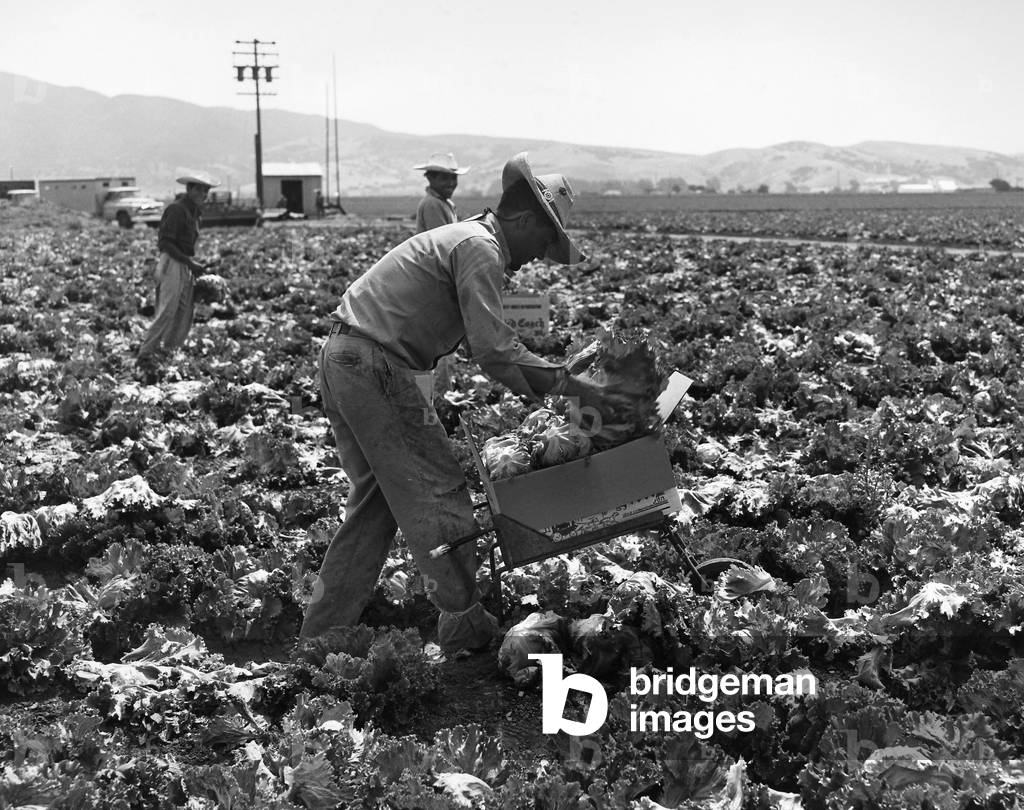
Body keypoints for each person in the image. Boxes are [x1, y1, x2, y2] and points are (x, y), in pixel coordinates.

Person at [302, 152, 629, 653]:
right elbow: (493, 350)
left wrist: (555, 383)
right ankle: (465, 626)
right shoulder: (481, 246)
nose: (540, 254)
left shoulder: (469, 238)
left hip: (347, 356)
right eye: (544, 240)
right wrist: (570, 385)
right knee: (439, 490)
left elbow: (492, 347)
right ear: (521, 219)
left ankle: (321, 636)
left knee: (375, 506)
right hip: (375, 365)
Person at [137, 172, 217, 369]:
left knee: (184, 311)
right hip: (171, 263)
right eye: (198, 189)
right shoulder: (176, 210)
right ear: (189, 189)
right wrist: (190, 263)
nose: (203, 193)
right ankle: (146, 353)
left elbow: (186, 245)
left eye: (206, 190)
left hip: (184, 263)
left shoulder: (194, 212)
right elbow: (165, 243)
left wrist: (194, 262)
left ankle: (168, 350)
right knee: (168, 309)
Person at [413, 152, 469, 233]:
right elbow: (442, 240)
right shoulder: (432, 204)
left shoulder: (444, 203)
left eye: (454, 178)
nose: (451, 183)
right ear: (430, 178)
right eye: (444, 178)